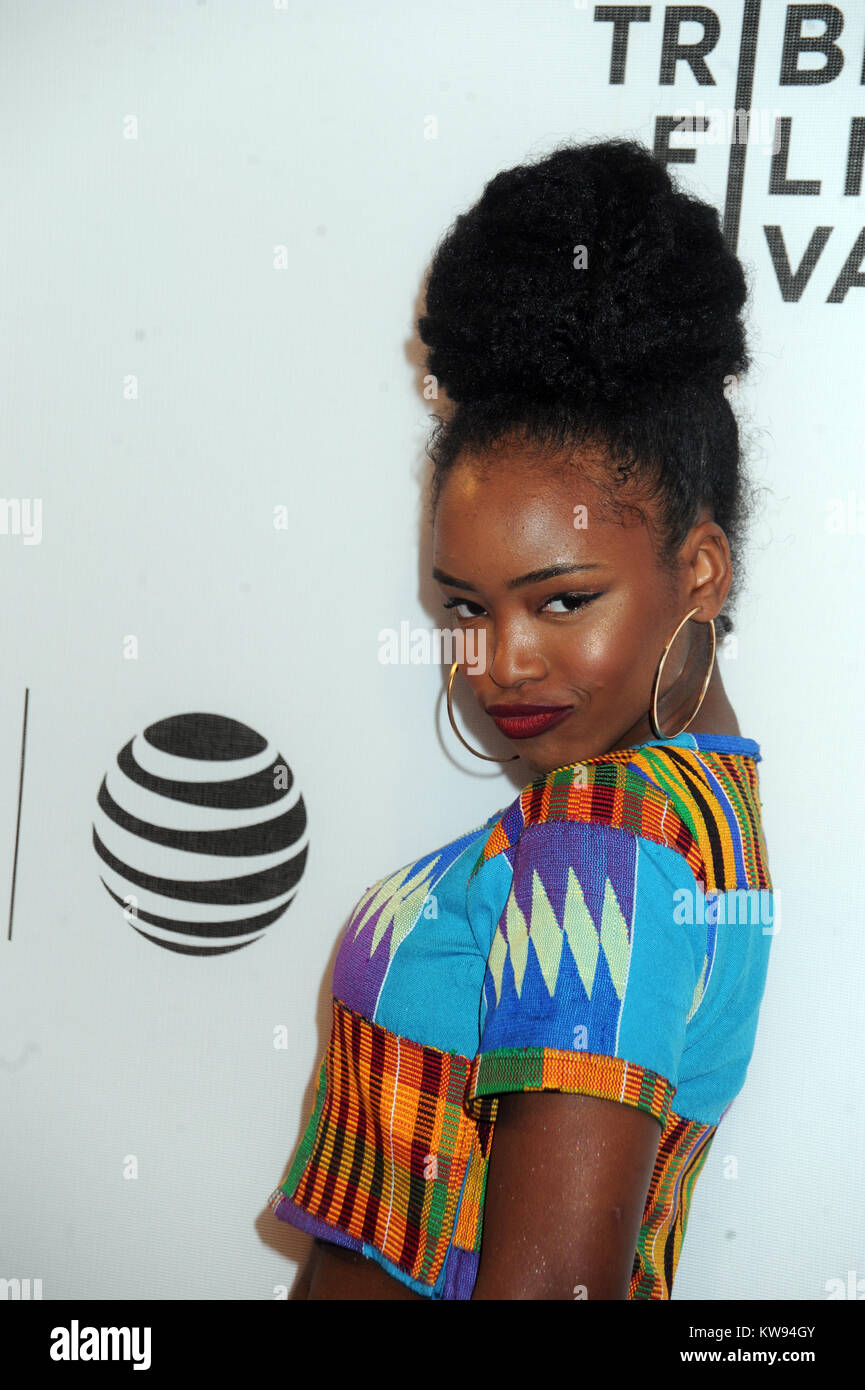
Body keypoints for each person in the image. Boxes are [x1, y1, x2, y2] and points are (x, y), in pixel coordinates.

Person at [267, 137, 775, 1300]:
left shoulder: (606, 841)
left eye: (562, 598)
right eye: (461, 607)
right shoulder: (695, 812)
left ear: (698, 572)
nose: (497, 665)